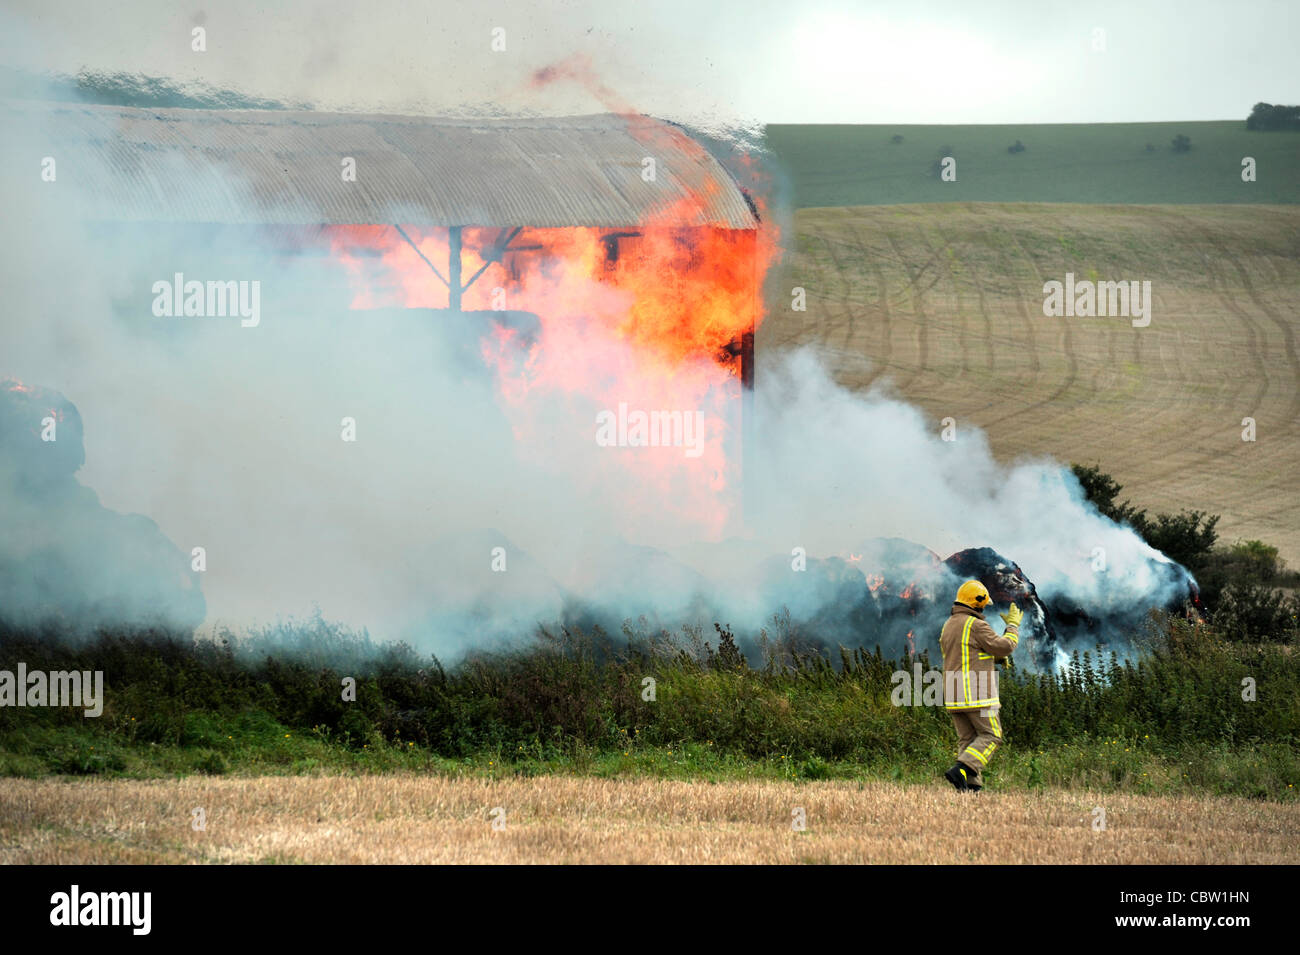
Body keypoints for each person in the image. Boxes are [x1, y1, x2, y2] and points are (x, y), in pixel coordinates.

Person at [939, 579, 1021, 792]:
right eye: (983, 604)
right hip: (976, 694)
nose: (984, 608)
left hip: (953, 694)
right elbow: (1005, 646)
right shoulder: (976, 625)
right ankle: (962, 768)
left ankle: (970, 788)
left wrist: (992, 660)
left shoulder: (949, 626)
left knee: (968, 739)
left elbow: (964, 655)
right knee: (992, 735)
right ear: (976, 603)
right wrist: (1012, 627)